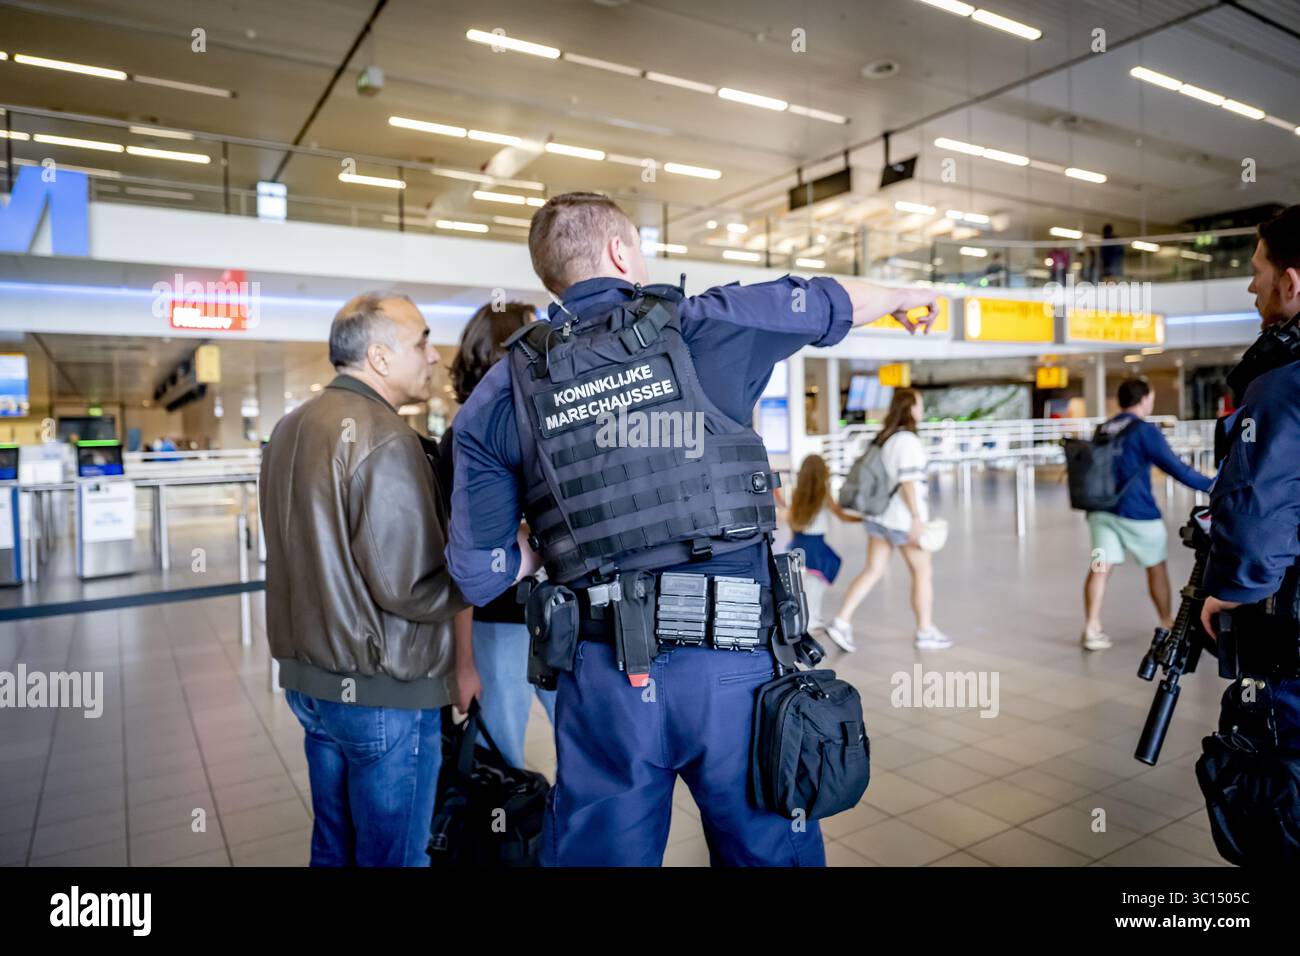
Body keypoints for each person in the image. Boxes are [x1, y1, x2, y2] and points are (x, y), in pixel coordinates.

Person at [446, 191, 936, 867]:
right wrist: (904, 294)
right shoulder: (706, 323)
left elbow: (478, 572)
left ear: (550, 275)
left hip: (602, 677)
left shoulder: (499, 396)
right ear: (621, 252)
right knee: (769, 853)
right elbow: (823, 298)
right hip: (737, 668)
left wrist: (544, 545)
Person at [260, 292, 464, 866]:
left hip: (312, 683)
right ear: (378, 356)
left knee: (333, 847)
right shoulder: (385, 438)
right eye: (422, 339)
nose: (434, 354)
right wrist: (501, 567)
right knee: (394, 857)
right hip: (383, 689)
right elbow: (412, 587)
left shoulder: (289, 428)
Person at [438, 300, 557, 768]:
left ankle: (555, 840)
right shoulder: (464, 438)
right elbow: (461, 558)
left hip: (552, 620)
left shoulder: (536, 425)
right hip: (495, 625)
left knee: (586, 750)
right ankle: (507, 841)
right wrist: (464, 663)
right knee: (501, 759)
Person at [1200, 204, 1300, 756]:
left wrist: (1230, 595)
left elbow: (1257, 536)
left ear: (1291, 283)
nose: (1250, 286)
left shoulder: (1282, 387)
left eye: (1258, 271)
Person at [1081, 376, 1213, 651]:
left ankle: (1091, 628)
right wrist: (1212, 485)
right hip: (1137, 513)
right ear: (1144, 399)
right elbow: (1176, 468)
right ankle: (1166, 621)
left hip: (1100, 512)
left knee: (1099, 566)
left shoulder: (1104, 428)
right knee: (1156, 565)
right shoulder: (1144, 431)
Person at [825, 388, 951, 653]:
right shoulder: (907, 440)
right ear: (910, 408)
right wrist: (916, 519)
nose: (922, 409)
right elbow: (907, 483)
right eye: (919, 404)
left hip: (878, 516)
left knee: (873, 570)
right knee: (922, 571)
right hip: (901, 520)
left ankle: (841, 621)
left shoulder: (884, 437)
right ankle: (925, 631)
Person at [784, 453, 862, 634]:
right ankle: (811, 620)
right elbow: (841, 515)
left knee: (801, 585)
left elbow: (791, 521)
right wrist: (861, 520)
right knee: (816, 585)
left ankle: (804, 618)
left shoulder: (797, 493)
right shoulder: (824, 493)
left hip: (799, 542)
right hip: (817, 545)